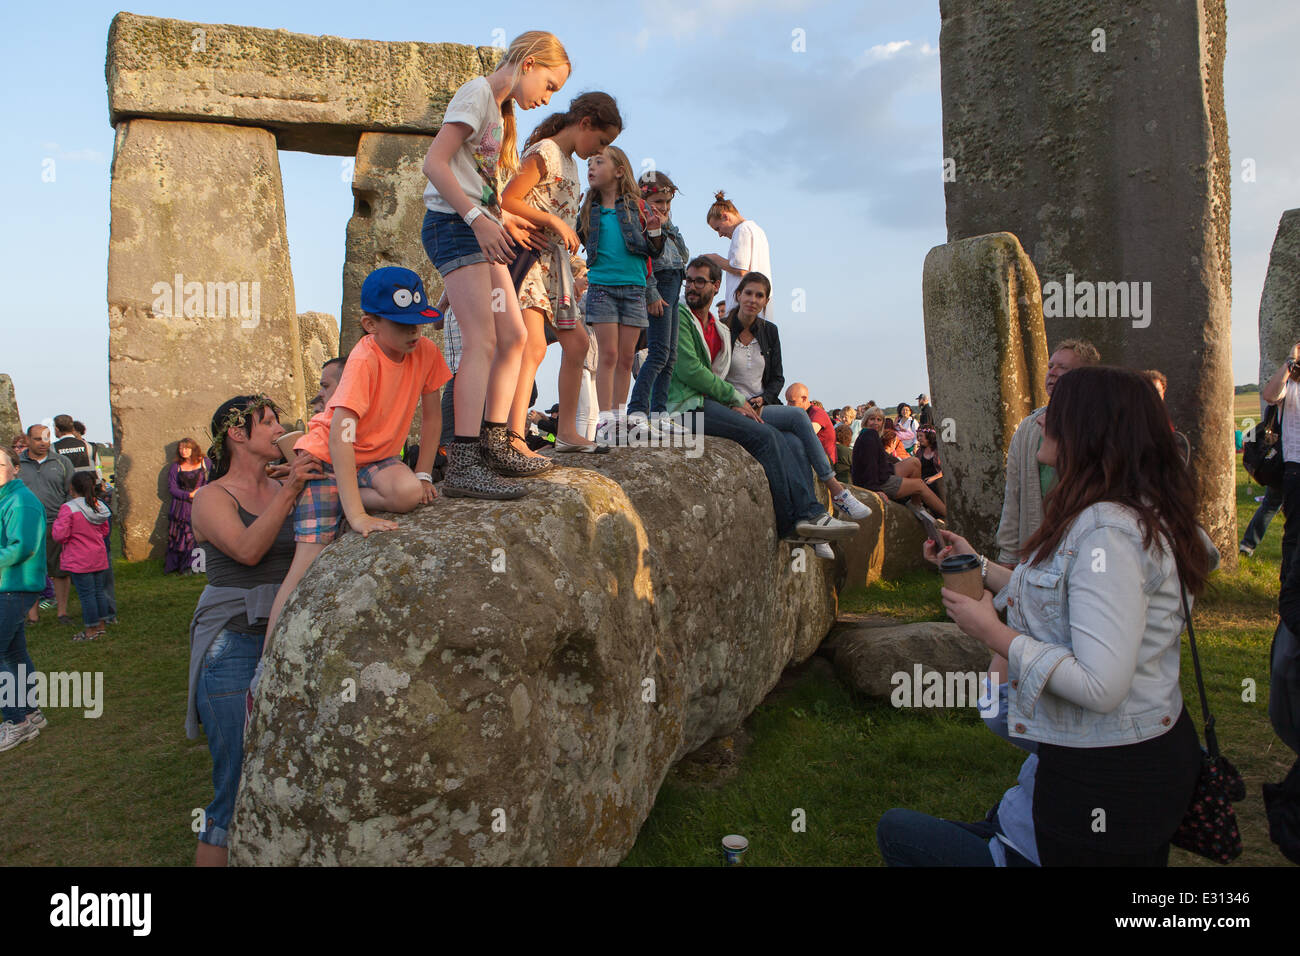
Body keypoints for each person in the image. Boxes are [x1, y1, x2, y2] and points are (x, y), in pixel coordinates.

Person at [882, 367, 1211, 866]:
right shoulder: (1123, 513)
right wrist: (981, 564)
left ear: (1088, 429)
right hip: (1129, 753)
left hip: (1108, 771)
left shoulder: (1108, 532)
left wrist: (993, 631)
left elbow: (1102, 684)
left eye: (1056, 410)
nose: (1041, 418)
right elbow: (1071, 599)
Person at [263, 267, 451, 644]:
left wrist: (426, 474)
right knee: (305, 566)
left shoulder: (426, 353)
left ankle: (342, 494)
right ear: (370, 324)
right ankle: (264, 665)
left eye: (418, 322)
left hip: (376, 458)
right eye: (402, 324)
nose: (414, 331)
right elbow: (340, 435)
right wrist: (358, 514)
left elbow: (433, 419)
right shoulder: (364, 360)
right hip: (328, 454)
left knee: (410, 492)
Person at [421, 31, 568, 498]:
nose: (546, 99)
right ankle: (463, 460)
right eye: (548, 85)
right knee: (482, 340)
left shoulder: (501, 113)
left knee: (516, 336)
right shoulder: (477, 93)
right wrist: (477, 221)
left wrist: (500, 218)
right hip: (455, 227)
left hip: (481, 229)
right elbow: (434, 163)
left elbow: (476, 181)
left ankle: (496, 440)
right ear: (527, 64)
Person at [187, 395, 324, 865]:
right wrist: (288, 493)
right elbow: (247, 550)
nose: (279, 428)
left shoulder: (285, 483)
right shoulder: (209, 498)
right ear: (237, 434)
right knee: (235, 784)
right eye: (268, 422)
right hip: (234, 645)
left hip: (288, 639)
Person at [667, 257, 859, 547]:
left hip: (710, 402)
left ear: (716, 286)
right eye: (689, 280)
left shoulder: (715, 328)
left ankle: (811, 519)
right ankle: (796, 522)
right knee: (768, 436)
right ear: (737, 295)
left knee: (788, 441)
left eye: (700, 281)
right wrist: (735, 400)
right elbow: (690, 370)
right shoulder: (681, 315)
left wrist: (748, 401)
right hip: (685, 408)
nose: (692, 287)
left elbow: (758, 375)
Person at [501, 92, 622, 455]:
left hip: (556, 269)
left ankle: (567, 431)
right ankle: (513, 435)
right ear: (584, 123)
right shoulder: (545, 153)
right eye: (600, 141)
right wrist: (552, 220)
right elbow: (507, 200)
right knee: (534, 346)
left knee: (579, 344)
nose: (599, 151)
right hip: (530, 260)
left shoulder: (568, 161)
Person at [578, 145, 665, 444]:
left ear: (618, 170)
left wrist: (654, 230)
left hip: (633, 287)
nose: (591, 167)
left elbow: (653, 251)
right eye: (589, 162)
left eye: (598, 161)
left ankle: (619, 418)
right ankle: (606, 420)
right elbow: (575, 238)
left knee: (627, 357)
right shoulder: (589, 207)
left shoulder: (637, 207)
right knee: (609, 354)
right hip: (601, 285)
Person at [995, 338, 1100, 567]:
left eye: (1063, 368)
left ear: (1086, 376)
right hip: (1035, 548)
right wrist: (1008, 555)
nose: (1052, 373)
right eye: (1050, 366)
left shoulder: (1098, 427)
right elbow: (1014, 494)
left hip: (1082, 551)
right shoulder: (1029, 427)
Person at [629, 170, 690, 437]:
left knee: (670, 355)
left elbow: (684, 254)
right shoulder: (641, 219)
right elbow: (645, 258)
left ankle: (660, 412)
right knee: (657, 353)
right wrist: (651, 291)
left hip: (675, 280)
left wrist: (668, 225)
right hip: (661, 282)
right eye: (659, 202)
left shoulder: (666, 224)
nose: (664, 208)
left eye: (667, 204)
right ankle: (637, 411)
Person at [0, 445, 48, 752]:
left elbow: (22, 547)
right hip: (10, 586)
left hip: (13, 586)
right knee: (16, 653)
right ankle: (31, 713)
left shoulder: (20, 501)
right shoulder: (6, 498)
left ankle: (17, 723)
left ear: (15, 467)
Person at [17, 425, 73, 625]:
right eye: (38, 439)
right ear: (28, 439)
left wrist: (65, 519)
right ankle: (32, 616)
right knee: (30, 570)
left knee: (60, 570)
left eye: (47, 439)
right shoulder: (18, 464)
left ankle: (62, 613)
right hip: (26, 525)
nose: (43, 443)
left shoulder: (62, 462)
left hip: (55, 523)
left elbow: (70, 492)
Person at [851, 407, 946, 517]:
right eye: (872, 419)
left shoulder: (867, 434)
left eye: (879, 420)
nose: (876, 423)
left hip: (882, 473)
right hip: (877, 482)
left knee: (914, 462)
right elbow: (870, 464)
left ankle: (916, 503)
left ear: (882, 422)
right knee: (919, 485)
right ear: (866, 420)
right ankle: (948, 516)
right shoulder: (870, 435)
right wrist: (875, 489)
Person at [51, 472, 111, 641]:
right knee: (98, 591)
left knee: (86, 595)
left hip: (78, 558)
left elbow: (60, 535)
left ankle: (90, 629)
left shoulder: (69, 508)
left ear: (71, 489)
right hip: (98, 556)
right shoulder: (99, 506)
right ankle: (101, 624)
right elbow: (105, 531)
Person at [703, 191, 771, 316]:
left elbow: (740, 269)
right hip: (758, 307)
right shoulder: (757, 230)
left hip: (742, 311)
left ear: (725, 216)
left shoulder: (741, 230)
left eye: (718, 228)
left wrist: (714, 258)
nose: (720, 234)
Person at [723, 273, 785, 411]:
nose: (753, 300)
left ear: (766, 302)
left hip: (761, 404)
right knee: (797, 418)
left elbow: (777, 377)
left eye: (759, 296)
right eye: (748, 293)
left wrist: (764, 398)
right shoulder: (721, 329)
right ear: (739, 295)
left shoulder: (770, 331)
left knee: (797, 419)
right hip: (731, 405)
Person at [165, 438, 211, 574]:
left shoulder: (205, 462)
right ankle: (186, 566)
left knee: (199, 535)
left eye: (186, 448)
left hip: (201, 504)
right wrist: (189, 495)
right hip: (182, 506)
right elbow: (172, 488)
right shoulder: (176, 466)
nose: (183, 451)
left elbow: (213, 480)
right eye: (181, 448)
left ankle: (199, 565)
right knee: (184, 535)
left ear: (193, 449)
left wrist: (200, 492)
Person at [915, 425, 944, 503]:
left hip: (938, 479)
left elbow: (946, 470)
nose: (919, 439)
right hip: (923, 480)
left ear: (929, 436)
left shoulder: (939, 450)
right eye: (918, 436)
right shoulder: (919, 452)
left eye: (921, 436)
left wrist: (934, 478)